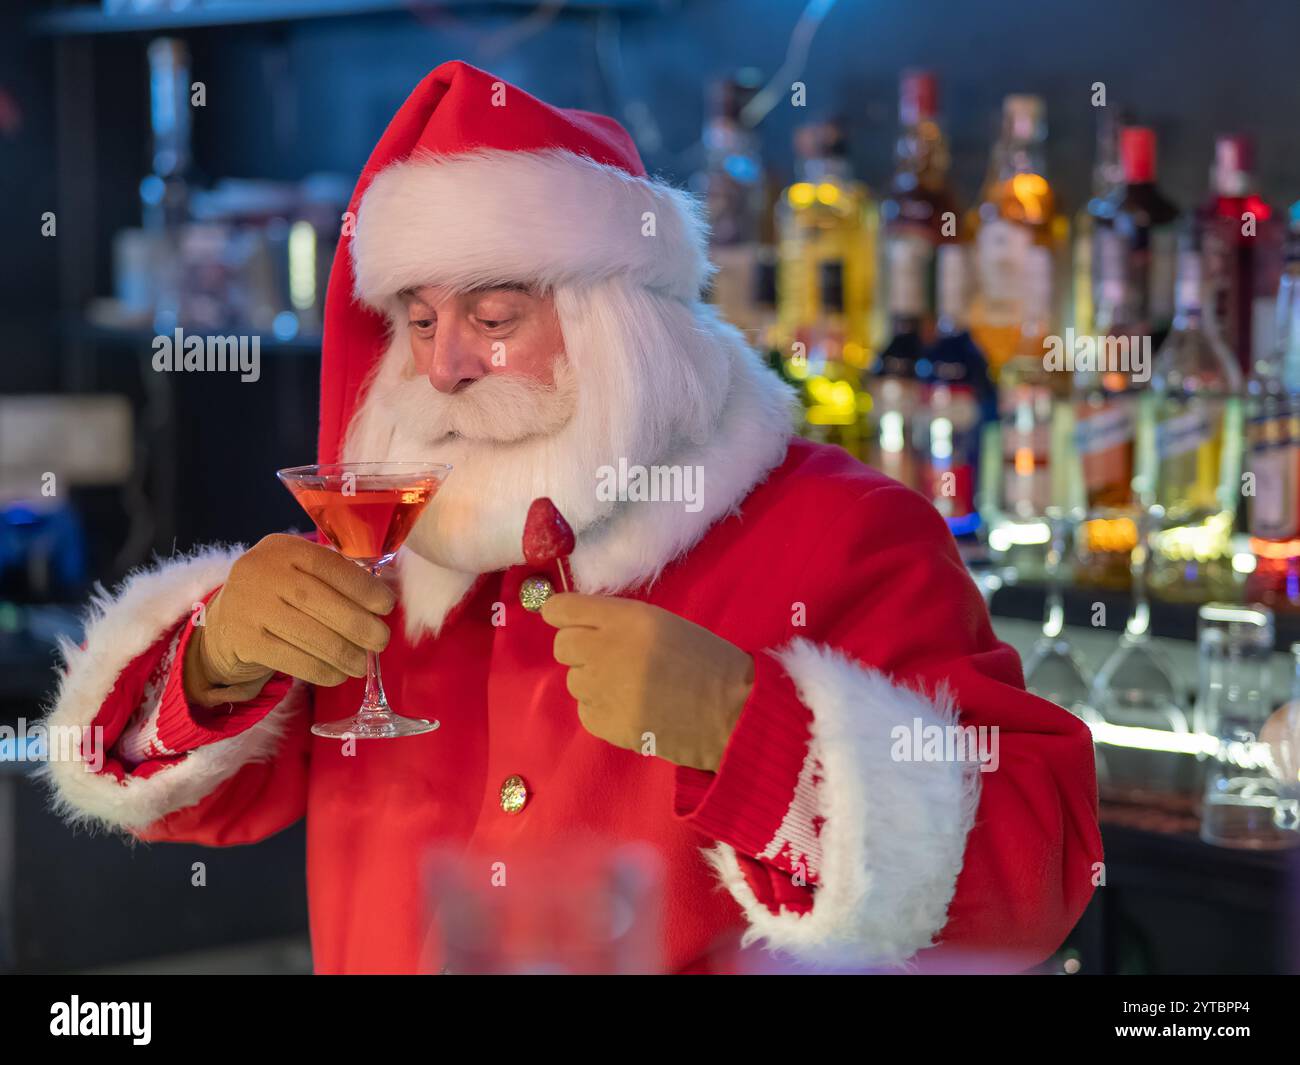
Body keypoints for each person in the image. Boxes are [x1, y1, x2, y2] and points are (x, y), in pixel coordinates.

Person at [41, 60, 1101, 974]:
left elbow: (1036, 884)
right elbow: (186, 803)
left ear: (616, 321)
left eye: (494, 318)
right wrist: (218, 659)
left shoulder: (845, 531)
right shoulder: (389, 552)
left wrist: (749, 728)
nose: (444, 365)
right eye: (417, 321)